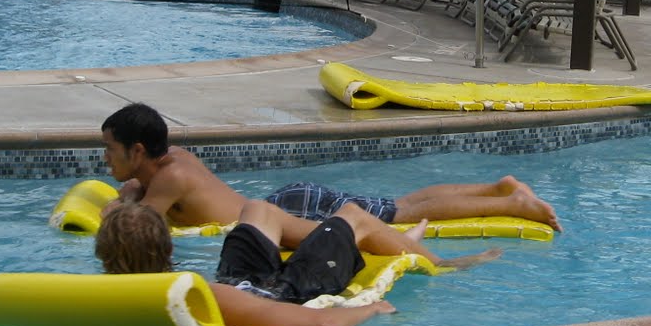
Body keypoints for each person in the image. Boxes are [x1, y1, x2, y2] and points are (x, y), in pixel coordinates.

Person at [100, 102, 559, 237]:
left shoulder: (169, 178)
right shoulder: (174, 158)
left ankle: (514, 202)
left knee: (398, 212)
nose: (106, 161)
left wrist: (123, 200)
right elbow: (138, 192)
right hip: (286, 202)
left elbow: (130, 226)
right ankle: (496, 189)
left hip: (288, 212)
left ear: (138, 151)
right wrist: (134, 190)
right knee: (398, 205)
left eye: (111, 151)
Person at [96, 200, 397, 326]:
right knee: (351, 216)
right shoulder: (206, 297)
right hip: (286, 291)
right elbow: (323, 324)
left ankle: (330, 238)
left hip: (238, 279)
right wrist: (370, 308)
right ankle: (436, 260)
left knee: (258, 209)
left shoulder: (101, 297)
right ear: (169, 248)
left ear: (102, 256)